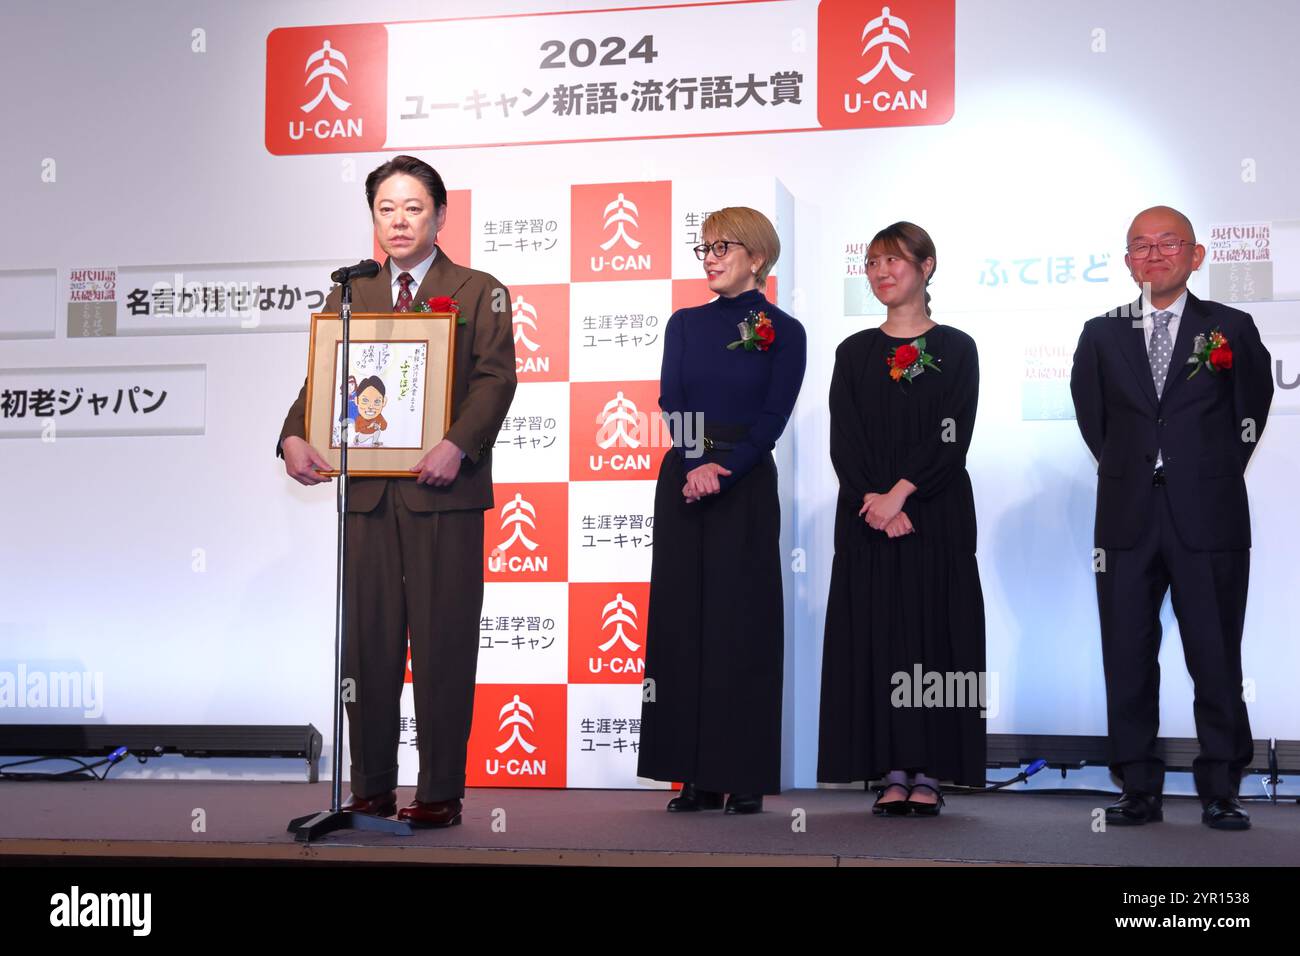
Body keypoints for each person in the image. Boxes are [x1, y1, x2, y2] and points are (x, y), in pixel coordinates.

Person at [277, 155, 516, 828]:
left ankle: (440, 791)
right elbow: (319, 385)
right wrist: (292, 436)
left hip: (446, 495)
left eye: (414, 207)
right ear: (373, 218)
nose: (399, 220)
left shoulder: (476, 290)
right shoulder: (349, 295)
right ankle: (372, 785)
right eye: (386, 208)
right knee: (367, 647)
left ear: (441, 215)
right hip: (370, 500)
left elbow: (496, 381)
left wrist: (455, 445)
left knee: (442, 644)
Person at [1070, 205, 1273, 830]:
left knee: (1216, 654)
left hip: (1208, 514)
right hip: (1127, 515)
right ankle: (1137, 787)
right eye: (1140, 245)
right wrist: (1138, 467)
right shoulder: (1101, 332)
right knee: (1127, 654)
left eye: (1167, 243)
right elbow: (1093, 418)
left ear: (1195, 255)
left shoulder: (1231, 328)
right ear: (1128, 260)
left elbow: (1251, 412)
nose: (1154, 255)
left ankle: (1221, 787)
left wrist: (1200, 469)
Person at [637, 207, 806, 814]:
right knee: (684, 626)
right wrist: (695, 461)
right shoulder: (684, 323)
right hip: (684, 478)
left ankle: (744, 773)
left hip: (745, 483)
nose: (709, 257)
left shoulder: (785, 331)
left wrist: (725, 468)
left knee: (743, 627)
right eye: (704, 247)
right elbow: (670, 397)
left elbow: (773, 417)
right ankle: (693, 773)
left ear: (757, 257)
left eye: (723, 246)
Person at [818, 222, 985, 818]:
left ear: (927, 267)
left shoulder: (957, 348)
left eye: (894, 260)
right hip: (867, 518)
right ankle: (890, 770)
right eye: (872, 263)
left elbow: (952, 435)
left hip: (935, 515)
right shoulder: (854, 352)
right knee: (878, 637)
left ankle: (932, 770)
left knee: (937, 634)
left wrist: (903, 495)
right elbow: (847, 439)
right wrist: (877, 502)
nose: (881, 272)